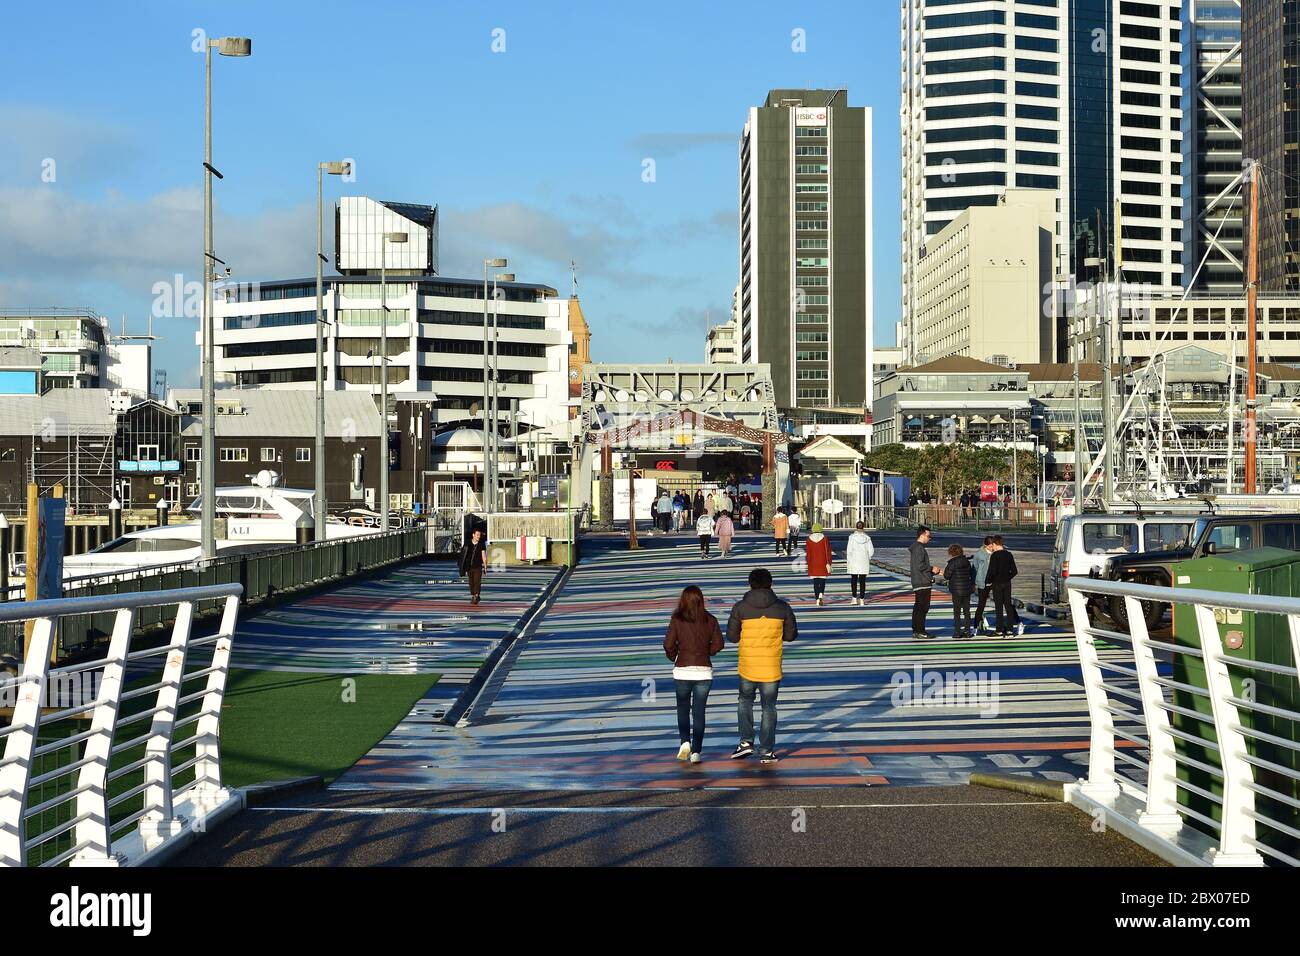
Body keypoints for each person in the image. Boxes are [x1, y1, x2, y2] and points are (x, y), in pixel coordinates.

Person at [726, 567, 798, 763]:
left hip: (747, 665)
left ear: (750, 584)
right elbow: (791, 635)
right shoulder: (783, 607)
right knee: (769, 707)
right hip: (771, 666)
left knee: (744, 701)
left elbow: (731, 637)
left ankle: (746, 742)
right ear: (770, 584)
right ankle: (766, 750)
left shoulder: (740, 608)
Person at [662, 585, 724, 763]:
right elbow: (719, 643)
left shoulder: (677, 619)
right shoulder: (710, 619)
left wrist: (675, 657)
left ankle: (684, 742)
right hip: (704, 672)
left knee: (682, 709)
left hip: (682, 671)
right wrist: (708, 652)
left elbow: (668, 644)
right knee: (699, 712)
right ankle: (696, 751)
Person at [909, 526, 943, 640]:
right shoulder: (919, 549)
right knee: (922, 608)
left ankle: (916, 630)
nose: (929, 539)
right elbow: (920, 566)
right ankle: (920, 630)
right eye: (928, 536)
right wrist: (932, 568)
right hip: (922, 582)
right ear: (922, 535)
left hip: (919, 580)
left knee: (918, 607)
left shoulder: (916, 548)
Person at [987, 535, 1024, 637]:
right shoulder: (1009, 555)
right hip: (1007, 583)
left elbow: (992, 571)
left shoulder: (994, 556)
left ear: (994, 544)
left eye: (993, 545)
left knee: (998, 607)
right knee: (1008, 605)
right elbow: (1015, 571)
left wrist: (988, 581)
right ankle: (1010, 629)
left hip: (997, 584)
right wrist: (1007, 577)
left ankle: (999, 630)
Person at [944, 543, 975, 639]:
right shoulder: (966, 561)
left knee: (957, 612)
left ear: (951, 552)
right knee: (967, 611)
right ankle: (967, 631)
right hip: (967, 589)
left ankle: (957, 632)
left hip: (956, 591)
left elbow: (947, 575)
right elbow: (971, 573)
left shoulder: (952, 563)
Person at [846, 520, 875, 606]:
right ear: (863, 527)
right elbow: (871, 551)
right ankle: (862, 599)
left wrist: (849, 560)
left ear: (856, 527)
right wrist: (868, 557)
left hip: (854, 561)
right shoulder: (867, 538)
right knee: (862, 581)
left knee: (853, 580)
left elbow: (849, 550)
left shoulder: (851, 537)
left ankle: (854, 598)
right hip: (863, 561)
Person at [457, 527, 488, 606]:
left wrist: (485, 566)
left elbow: (483, 555)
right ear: (473, 535)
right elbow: (463, 555)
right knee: (471, 582)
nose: (478, 536)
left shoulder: (481, 544)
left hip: (478, 566)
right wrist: (462, 566)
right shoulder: (467, 543)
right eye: (477, 535)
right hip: (469, 566)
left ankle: (476, 596)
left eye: (479, 535)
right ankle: (474, 595)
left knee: (477, 581)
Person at [804, 522, 833, 606]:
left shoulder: (809, 539)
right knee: (822, 580)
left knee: (815, 582)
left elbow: (808, 553)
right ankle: (821, 593)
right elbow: (828, 551)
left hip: (813, 563)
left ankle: (817, 598)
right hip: (823, 562)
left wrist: (808, 562)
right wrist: (829, 562)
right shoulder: (824, 538)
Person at [972, 535, 995, 635]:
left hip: (995, 581)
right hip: (982, 582)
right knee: (981, 604)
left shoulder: (996, 553)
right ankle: (975, 625)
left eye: (992, 545)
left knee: (1001, 602)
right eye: (989, 546)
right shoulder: (979, 554)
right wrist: (974, 582)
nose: (991, 548)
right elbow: (975, 568)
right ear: (985, 545)